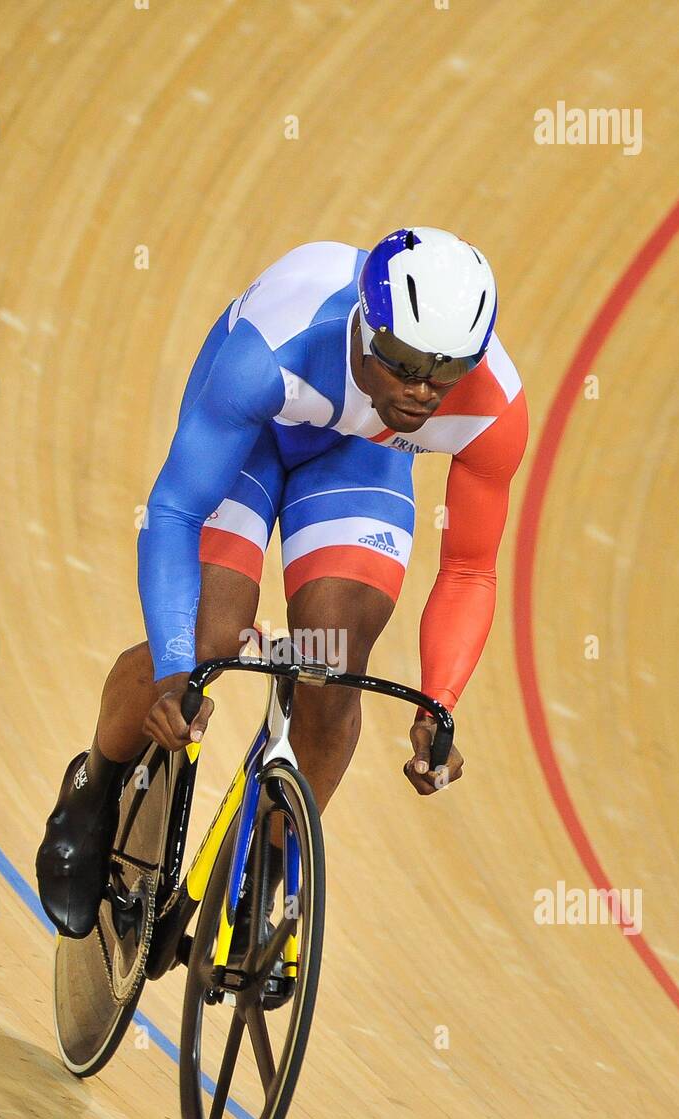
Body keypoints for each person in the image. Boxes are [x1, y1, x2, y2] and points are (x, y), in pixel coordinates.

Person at [37, 227, 528, 939]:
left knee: (333, 671)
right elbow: (174, 511)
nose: (423, 389)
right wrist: (177, 672)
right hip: (256, 429)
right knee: (212, 636)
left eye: (446, 370)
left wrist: (439, 705)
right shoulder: (273, 350)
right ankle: (93, 788)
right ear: (365, 326)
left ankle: (263, 880)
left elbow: (468, 569)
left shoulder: (491, 407)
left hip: (357, 460)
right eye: (404, 362)